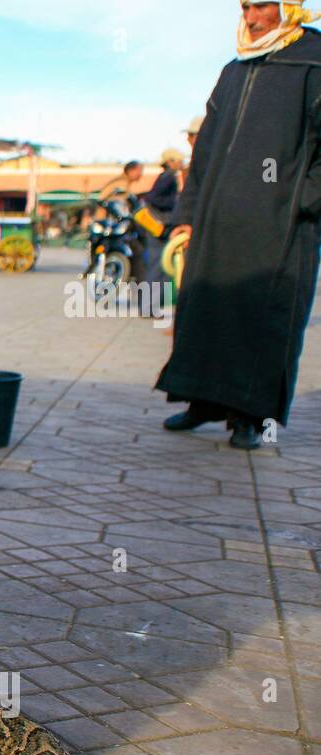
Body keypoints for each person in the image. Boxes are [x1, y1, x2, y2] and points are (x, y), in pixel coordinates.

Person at [157, 0, 321, 451]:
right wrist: (187, 216)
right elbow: (204, 151)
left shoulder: (314, 60)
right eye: (245, 6)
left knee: (262, 316)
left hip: (280, 225)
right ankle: (202, 402)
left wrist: (301, 201)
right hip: (216, 218)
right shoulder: (234, 70)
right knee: (208, 305)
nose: (251, 16)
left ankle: (250, 417)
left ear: (288, 8)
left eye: (262, 5)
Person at [140, 148, 185, 291]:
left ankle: (150, 306)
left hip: (158, 226)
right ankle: (150, 307)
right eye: (178, 160)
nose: (181, 163)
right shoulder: (169, 177)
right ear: (170, 162)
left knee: (157, 266)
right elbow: (154, 199)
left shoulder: (164, 176)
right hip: (161, 227)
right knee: (158, 266)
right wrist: (177, 202)